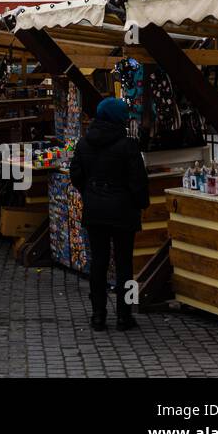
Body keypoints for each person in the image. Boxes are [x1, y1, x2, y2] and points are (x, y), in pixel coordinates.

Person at [69, 96, 150, 331]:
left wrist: (90, 193)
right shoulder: (128, 145)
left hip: (95, 211)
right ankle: (125, 315)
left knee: (99, 263)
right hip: (123, 211)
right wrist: (141, 204)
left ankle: (98, 314)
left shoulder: (84, 143)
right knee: (125, 264)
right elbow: (138, 181)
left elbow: (76, 175)